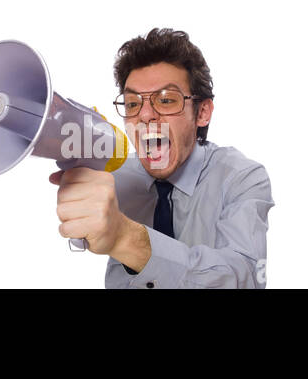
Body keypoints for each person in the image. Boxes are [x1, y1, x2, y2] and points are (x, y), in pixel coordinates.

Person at [50, 28, 273, 289]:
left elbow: (244, 278)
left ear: (202, 112)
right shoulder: (114, 178)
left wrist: (125, 237)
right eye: (133, 103)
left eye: (166, 100)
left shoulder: (241, 177)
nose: (144, 115)